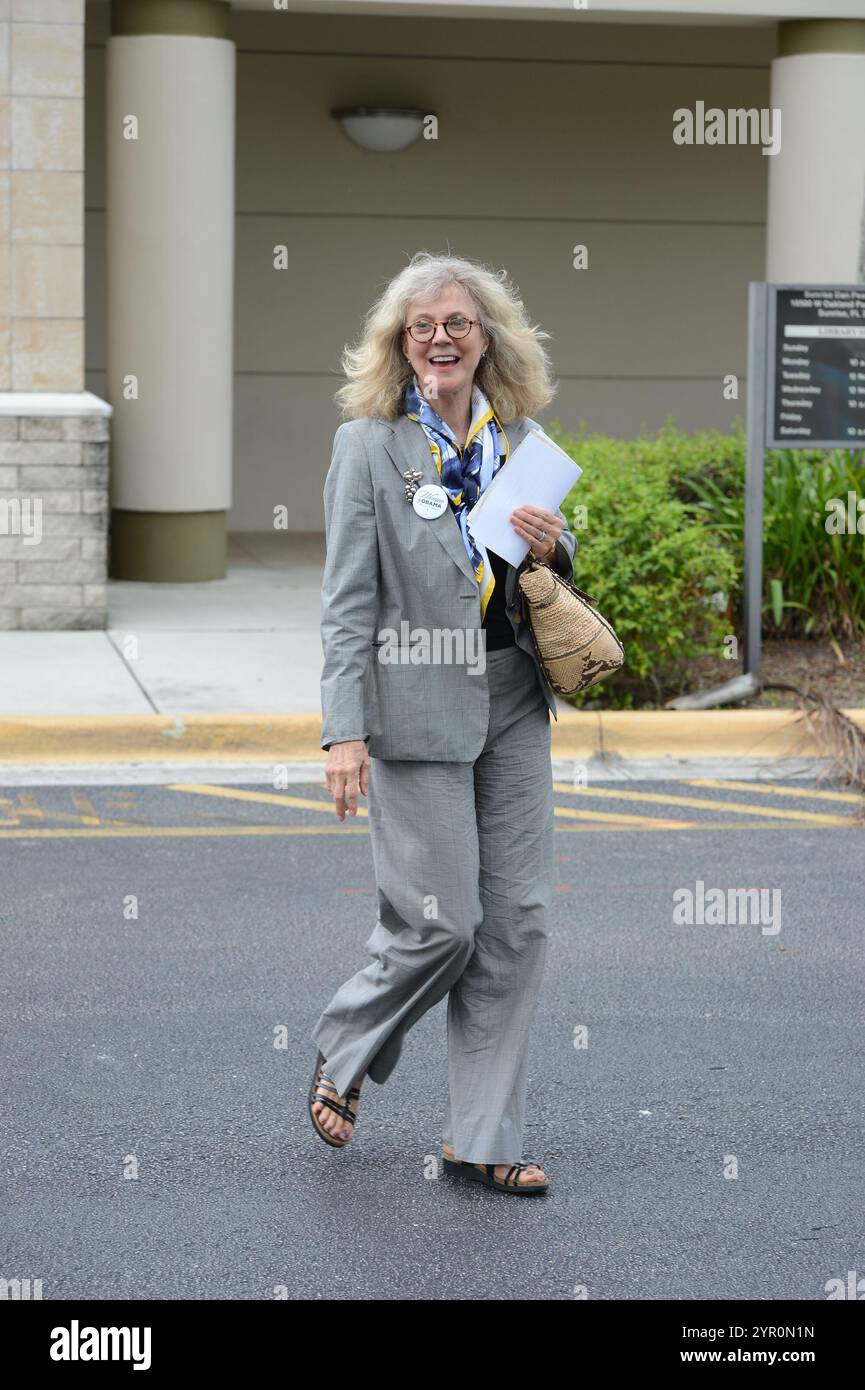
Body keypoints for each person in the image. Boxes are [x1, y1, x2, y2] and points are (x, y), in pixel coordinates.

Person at [308, 250, 578, 1196]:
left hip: (511, 697)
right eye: (421, 327)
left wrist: (555, 548)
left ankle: (481, 1137)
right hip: (413, 701)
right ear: (398, 345)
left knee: (517, 925)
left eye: (457, 324)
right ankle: (346, 1042)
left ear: (486, 339)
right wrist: (344, 731)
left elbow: (544, 570)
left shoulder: (522, 438)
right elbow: (346, 602)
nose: (440, 340)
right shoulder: (367, 446)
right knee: (442, 925)